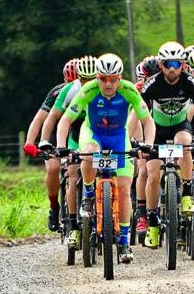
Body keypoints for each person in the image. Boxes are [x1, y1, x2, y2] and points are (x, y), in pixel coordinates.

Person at [51, 54, 155, 263]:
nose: (108, 84)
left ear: (120, 78)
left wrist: (148, 145)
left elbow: (147, 121)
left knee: (124, 189)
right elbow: (65, 120)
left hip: (118, 137)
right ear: (97, 77)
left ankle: (124, 242)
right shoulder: (88, 90)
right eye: (103, 79)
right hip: (94, 134)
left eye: (113, 79)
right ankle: (88, 193)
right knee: (88, 152)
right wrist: (61, 146)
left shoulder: (129, 90)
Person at [141, 41, 194, 249]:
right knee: (152, 175)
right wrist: (133, 140)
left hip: (179, 127)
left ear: (183, 64)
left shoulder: (189, 81)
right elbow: (136, 113)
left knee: (184, 143)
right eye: (168, 64)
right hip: (157, 130)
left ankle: (187, 193)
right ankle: (153, 223)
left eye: (176, 63)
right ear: (161, 65)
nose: (172, 68)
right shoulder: (152, 83)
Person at [23, 59, 78, 231]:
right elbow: (39, 119)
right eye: (69, 82)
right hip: (56, 133)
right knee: (53, 168)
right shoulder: (56, 93)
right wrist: (30, 142)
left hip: (78, 131)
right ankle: (54, 207)